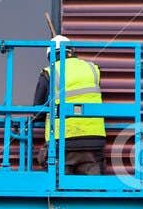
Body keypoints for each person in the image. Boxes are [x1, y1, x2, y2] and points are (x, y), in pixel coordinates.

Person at [31, 35, 106, 174]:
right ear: (72, 51)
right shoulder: (92, 69)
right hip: (94, 142)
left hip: (63, 142)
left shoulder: (49, 72)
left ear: (51, 56)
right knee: (94, 191)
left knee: (59, 190)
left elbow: (38, 111)